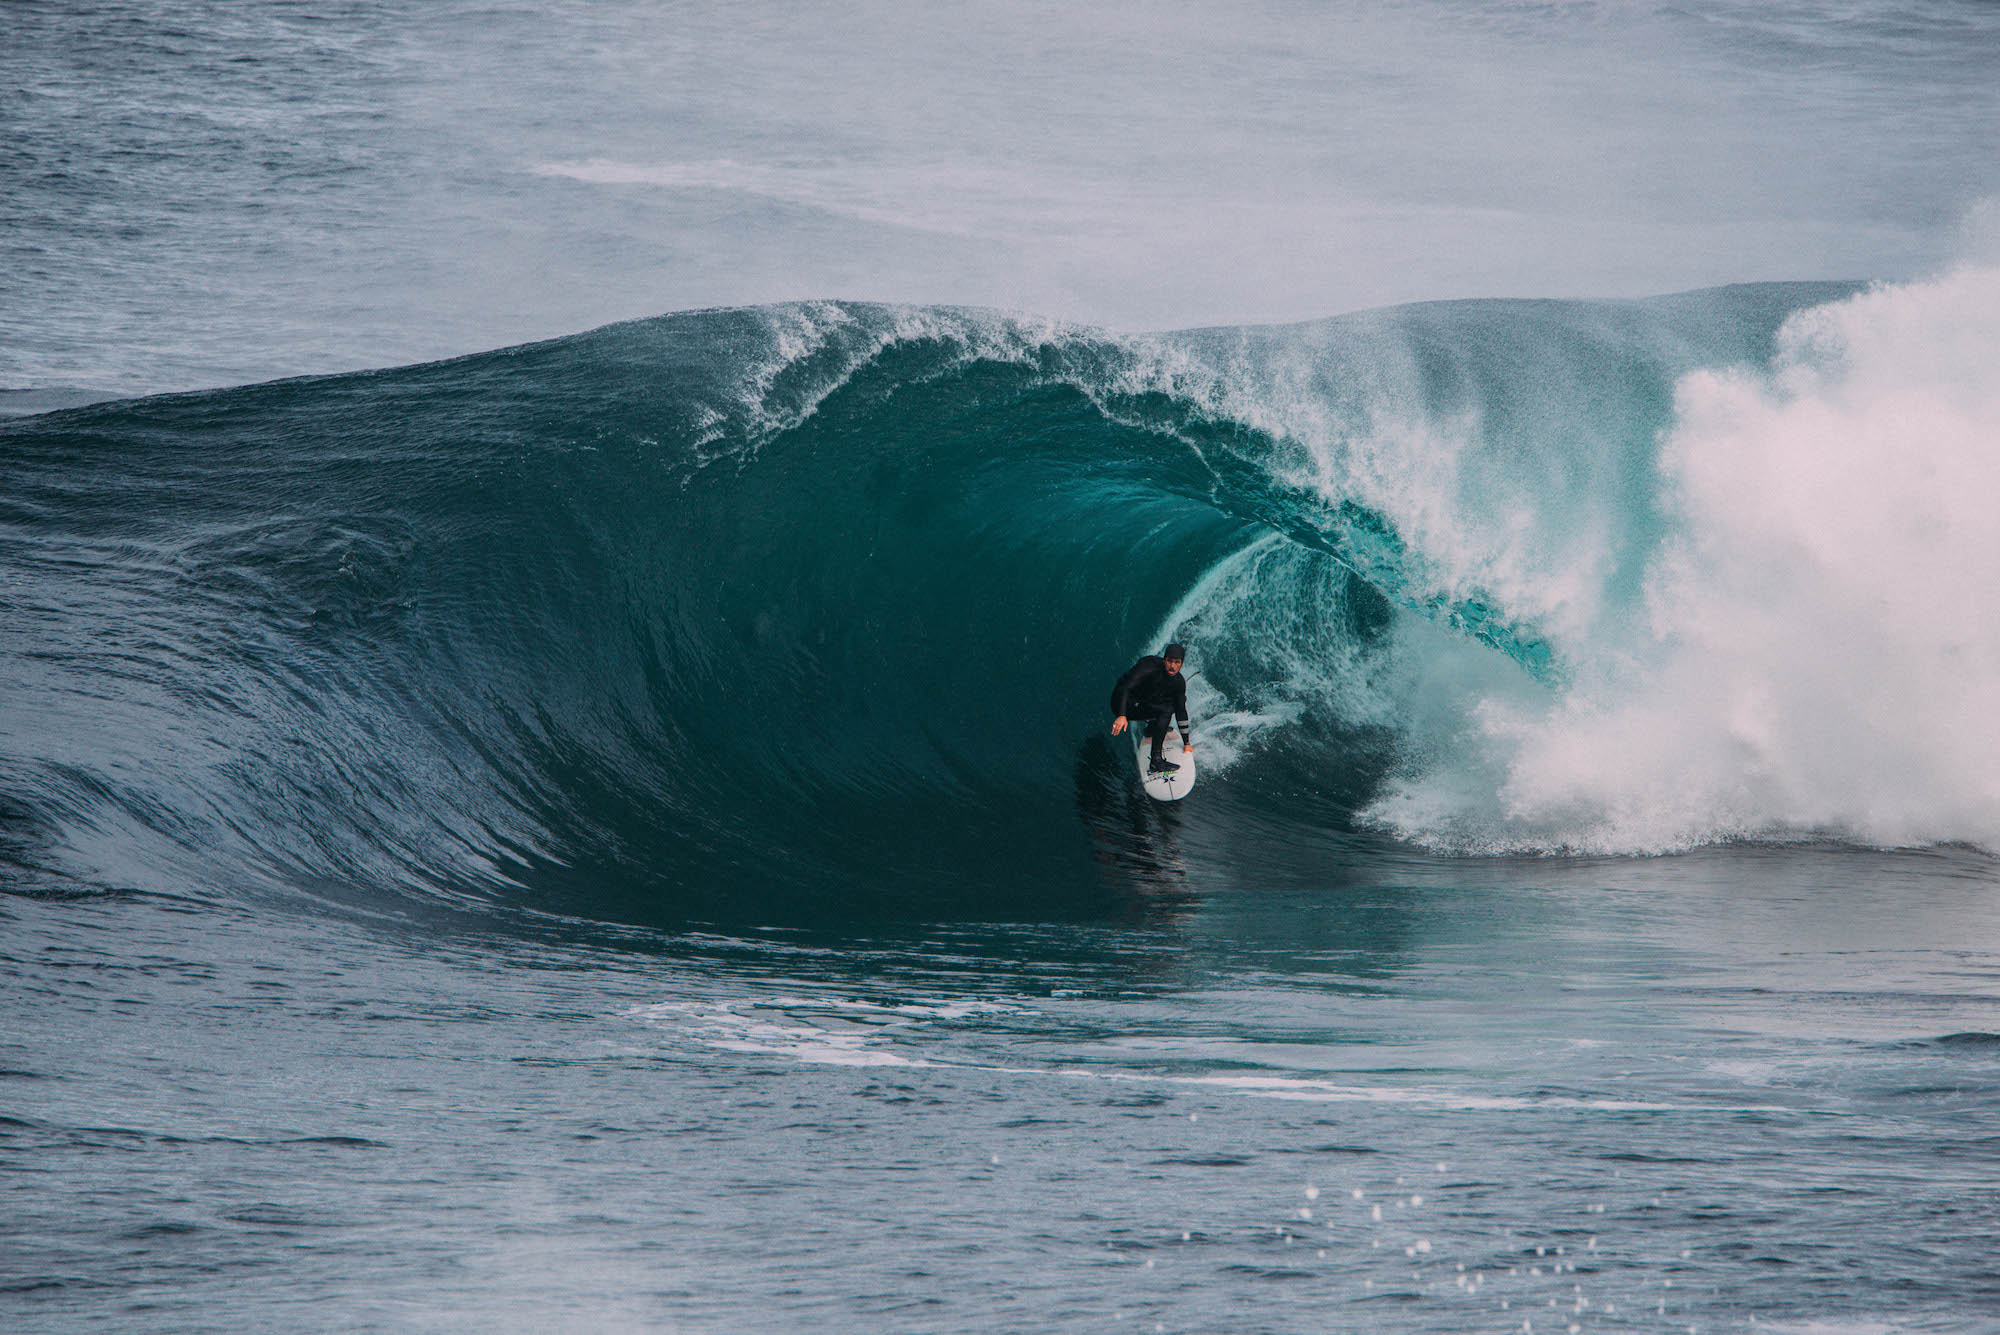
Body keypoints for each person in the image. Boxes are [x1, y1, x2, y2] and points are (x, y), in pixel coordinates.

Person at [1110, 643, 1193, 775]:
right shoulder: (1149, 667)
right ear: (1164, 660)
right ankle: (1156, 761)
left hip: (1141, 701)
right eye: (1169, 661)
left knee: (1172, 703)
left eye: (1176, 662)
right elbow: (1126, 687)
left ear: (1181, 664)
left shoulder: (1178, 682)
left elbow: (1181, 711)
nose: (1172, 666)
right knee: (1166, 709)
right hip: (1122, 701)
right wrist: (1122, 714)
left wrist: (1186, 742)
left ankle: (1152, 729)